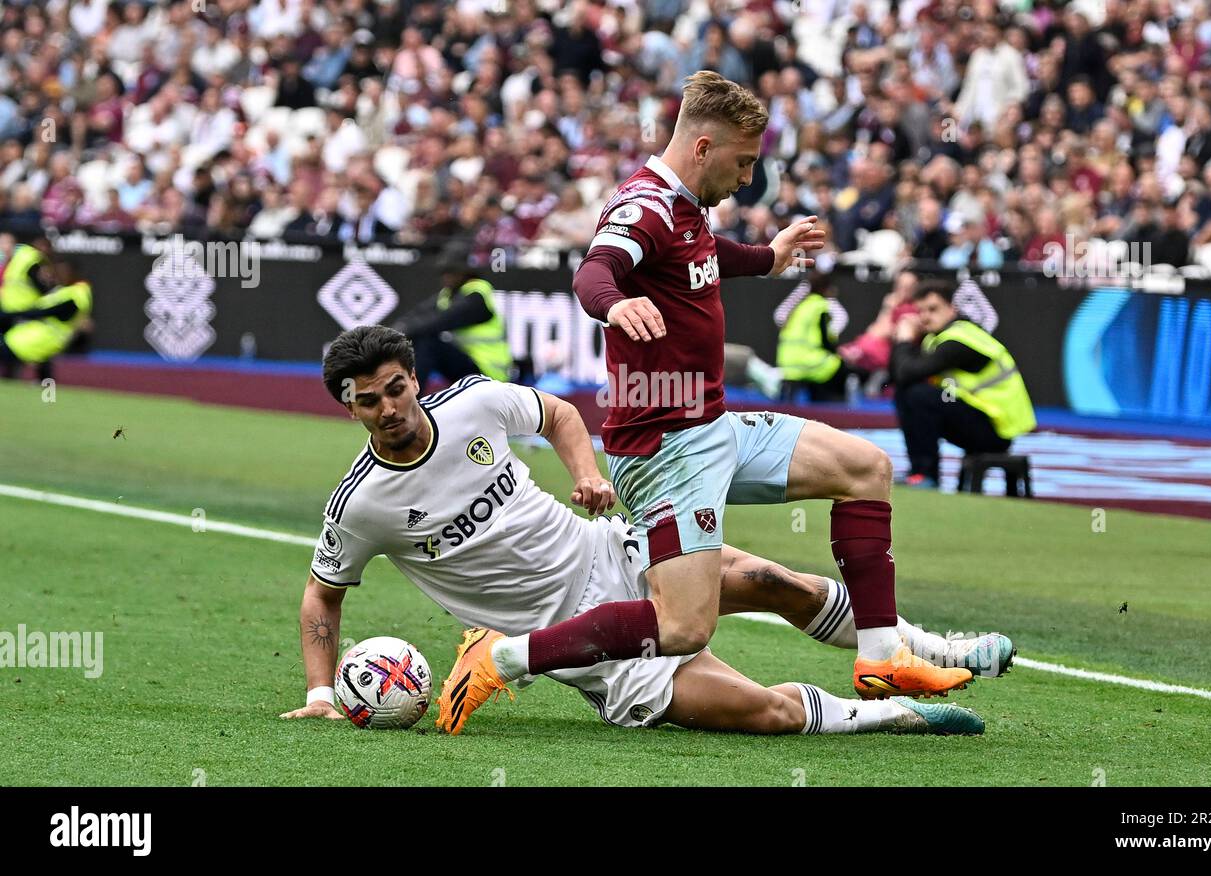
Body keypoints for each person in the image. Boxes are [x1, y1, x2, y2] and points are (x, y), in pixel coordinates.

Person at [439, 71, 975, 736]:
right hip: (663, 447)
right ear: (701, 146)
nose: (748, 178)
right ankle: (504, 654)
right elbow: (592, 273)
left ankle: (881, 657)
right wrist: (616, 304)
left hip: (710, 425)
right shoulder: (643, 206)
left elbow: (700, 256)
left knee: (865, 468)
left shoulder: (685, 209)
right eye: (743, 161)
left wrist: (767, 257)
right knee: (681, 625)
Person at [279, 326, 1010, 735]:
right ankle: (894, 716)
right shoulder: (362, 503)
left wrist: (585, 474)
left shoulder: (473, 403)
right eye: (369, 401)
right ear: (351, 409)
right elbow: (322, 597)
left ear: (414, 377)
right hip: (585, 647)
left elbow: (559, 414)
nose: (388, 408)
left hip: (611, 553)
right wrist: (319, 692)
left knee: (769, 580)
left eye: (396, 388)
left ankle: (930, 646)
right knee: (764, 713)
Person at [889, 280, 1036, 489]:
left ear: (952, 309)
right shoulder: (937, 337)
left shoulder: (960, 339)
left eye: (933, 309)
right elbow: (898, 376)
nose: (925, 316)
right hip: (983, 420)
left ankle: (926, 474)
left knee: (917, 395)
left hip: (998, 429)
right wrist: (903, 341)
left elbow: (906, 373)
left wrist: (904, 339)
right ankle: (920, 472)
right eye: (921, 311)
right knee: (907, 393)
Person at [391, 251, 512, 384]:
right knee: (417, 338)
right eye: (444, 273)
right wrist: (397, 329)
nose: (446, 277)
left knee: (428, 343)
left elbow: (439, 321)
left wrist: (400, 332)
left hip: (489, 372)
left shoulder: (477, 296)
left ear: (465, 272)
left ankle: (412, 396)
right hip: (468, 364)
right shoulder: (448, 294)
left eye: (451, 272)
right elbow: (418, 314)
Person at [0, 256, 93, 382]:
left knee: (6, 350)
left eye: (62, 272)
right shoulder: (66, 290)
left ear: (72, 273)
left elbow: (44, 311)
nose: (58, 275)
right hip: (37, 334)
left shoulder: (74, 295)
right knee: (39, 363)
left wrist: (11, 315)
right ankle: (43, 386)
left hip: (42, 337)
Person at [775, 268, 849, 401]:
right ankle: (835, 407)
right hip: (808, 364)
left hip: (786, 364)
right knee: (838, 364)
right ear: (826, 288)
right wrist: (837, 352)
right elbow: (827, 339)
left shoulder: (799, 305)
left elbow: (779, 317)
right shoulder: (821, 306)